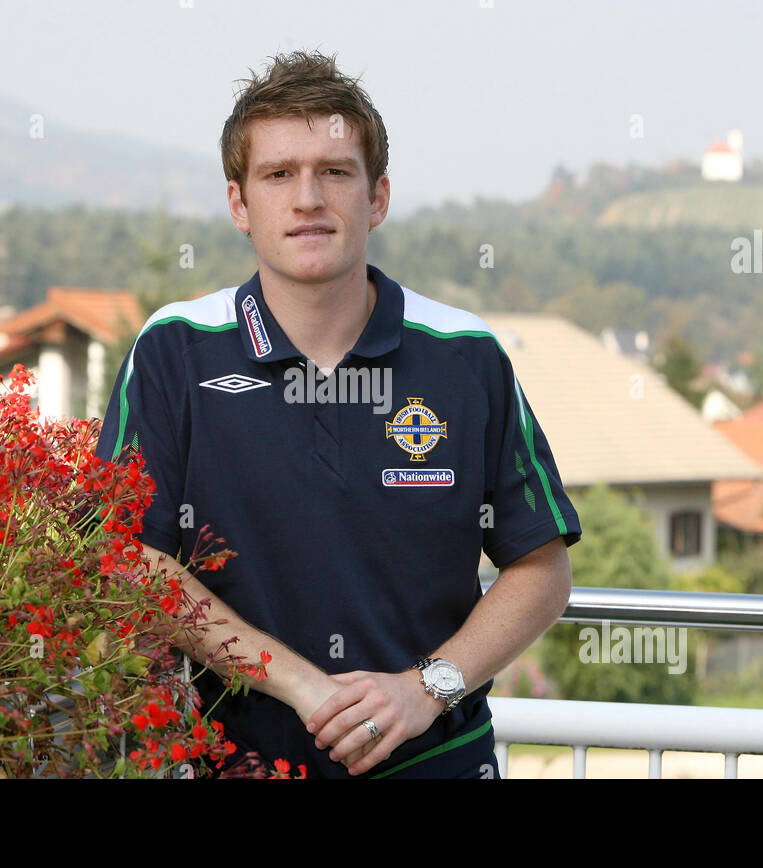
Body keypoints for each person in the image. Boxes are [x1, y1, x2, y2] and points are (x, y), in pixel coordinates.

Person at [93, 49, 581, 778]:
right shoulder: (175, 351)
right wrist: (301, 685)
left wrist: (426, 689)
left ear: (377, 198)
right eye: (279, 174)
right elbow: (130, 558)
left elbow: (542, 567)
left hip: (434, 760)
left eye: (335, 171)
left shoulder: (465, 355)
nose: (308, 198)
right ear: (239, 204)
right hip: (232, 763)